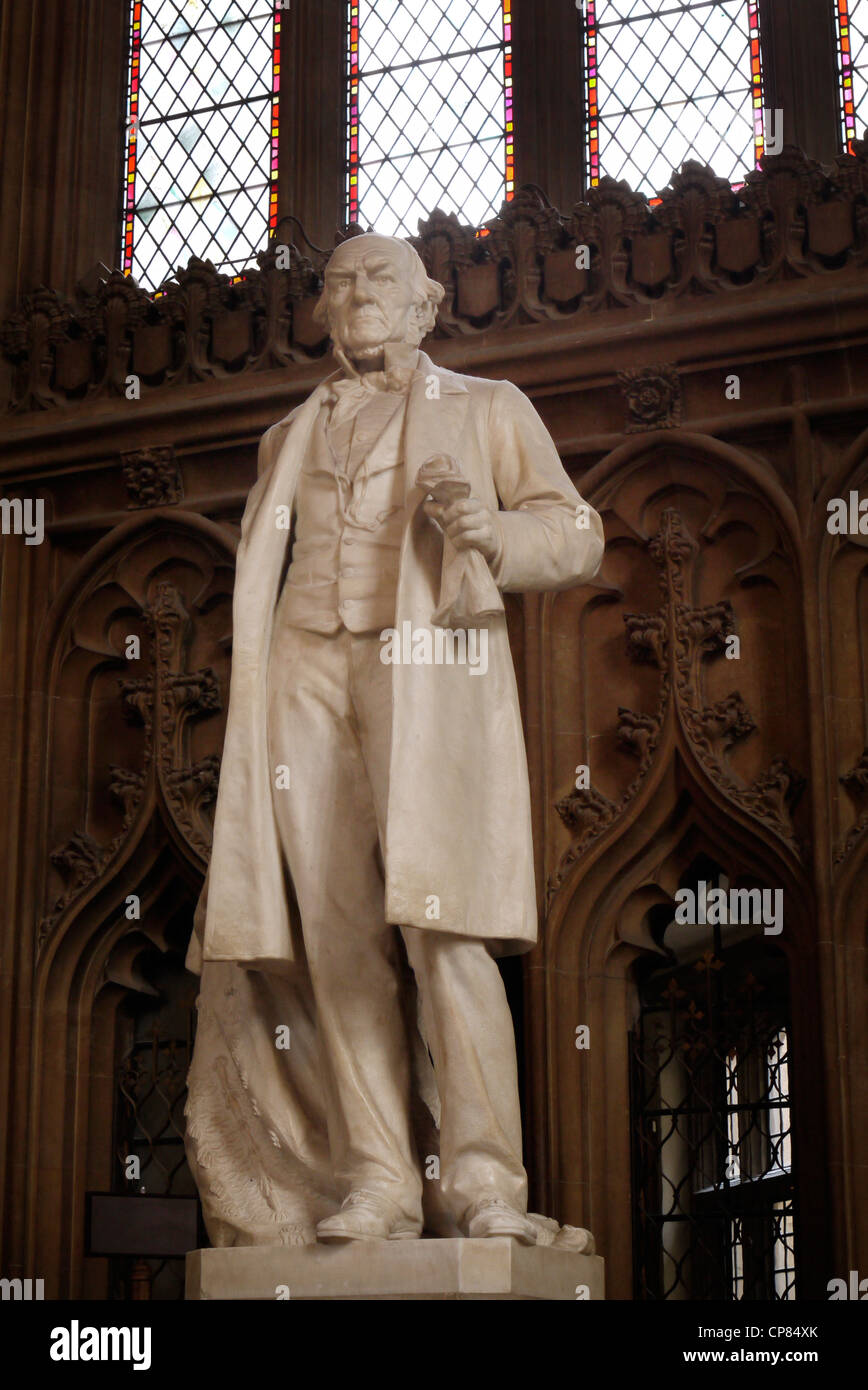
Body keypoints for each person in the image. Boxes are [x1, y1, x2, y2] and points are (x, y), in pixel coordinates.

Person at [186, 233, 604, 1245]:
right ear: (321, 312)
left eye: (380, 277)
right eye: (338, 281)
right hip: (302, 673)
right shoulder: (285, 434)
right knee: (336, 946)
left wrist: (491, 535)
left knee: (445, 925)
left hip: (426, 674)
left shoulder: (489, 406)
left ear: (426, 307)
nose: (356, 292)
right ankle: (379, 1180)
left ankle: (484, 1184)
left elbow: (576, 531)